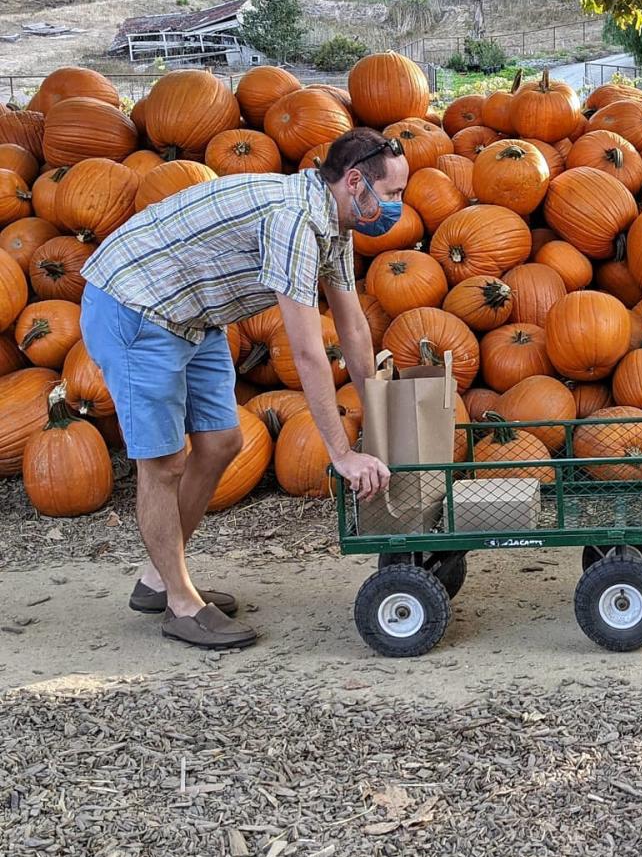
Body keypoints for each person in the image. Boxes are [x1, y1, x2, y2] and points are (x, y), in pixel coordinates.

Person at [79, 128, 404, 650]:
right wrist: (341, 454)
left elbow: (354, 328)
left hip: (195, 315)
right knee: (162, 464)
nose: (397, 206)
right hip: (137, 307)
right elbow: (305, 352)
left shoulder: (335, 223)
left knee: (223, 442)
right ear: (354, 182)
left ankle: (160, 578)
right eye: (391, 194)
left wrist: (381, 421)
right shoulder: (294, 221)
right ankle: (181, 605)